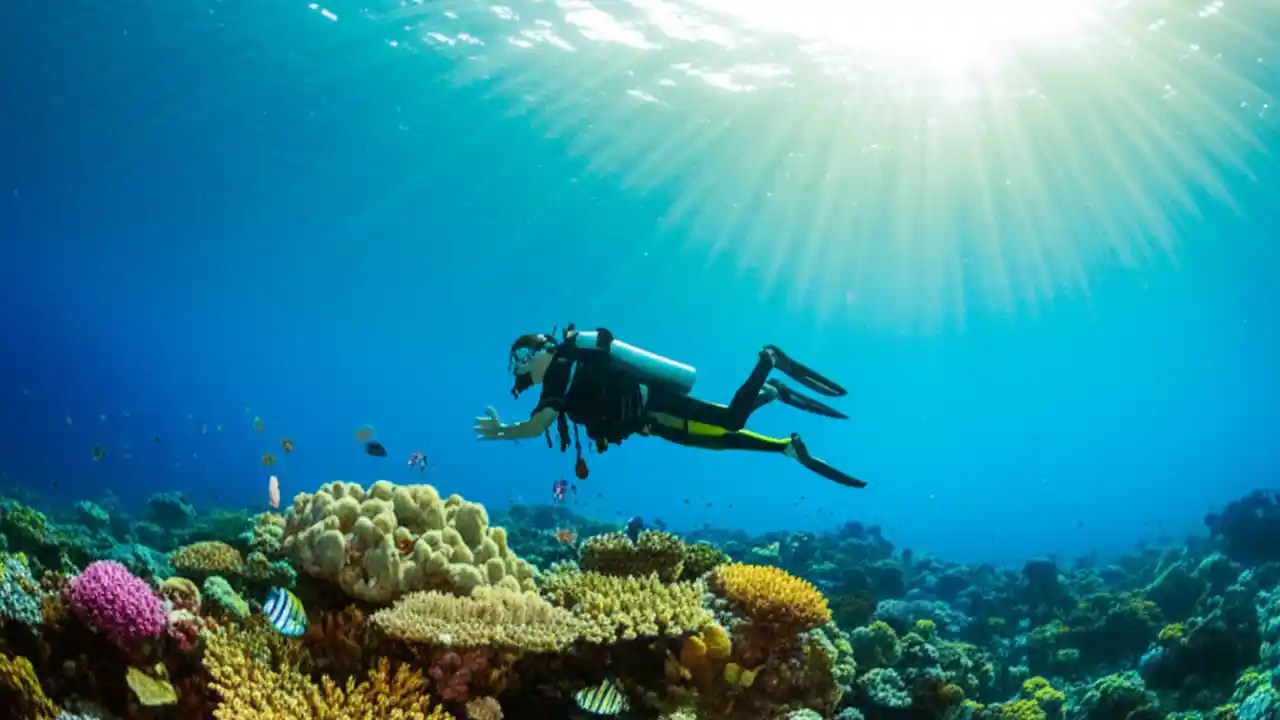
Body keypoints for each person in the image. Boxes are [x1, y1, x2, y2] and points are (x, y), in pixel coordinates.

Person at [473, 326, 866, 487]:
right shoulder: (562, 374)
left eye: (521, 356)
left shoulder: (560, 367)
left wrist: (501, 432)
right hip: (650, 419)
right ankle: (784, 440)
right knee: (715, 440)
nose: (518, 367)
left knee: (728, 420)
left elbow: (538, 425)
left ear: (541, 349)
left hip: (652, 405)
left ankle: (769, 363)